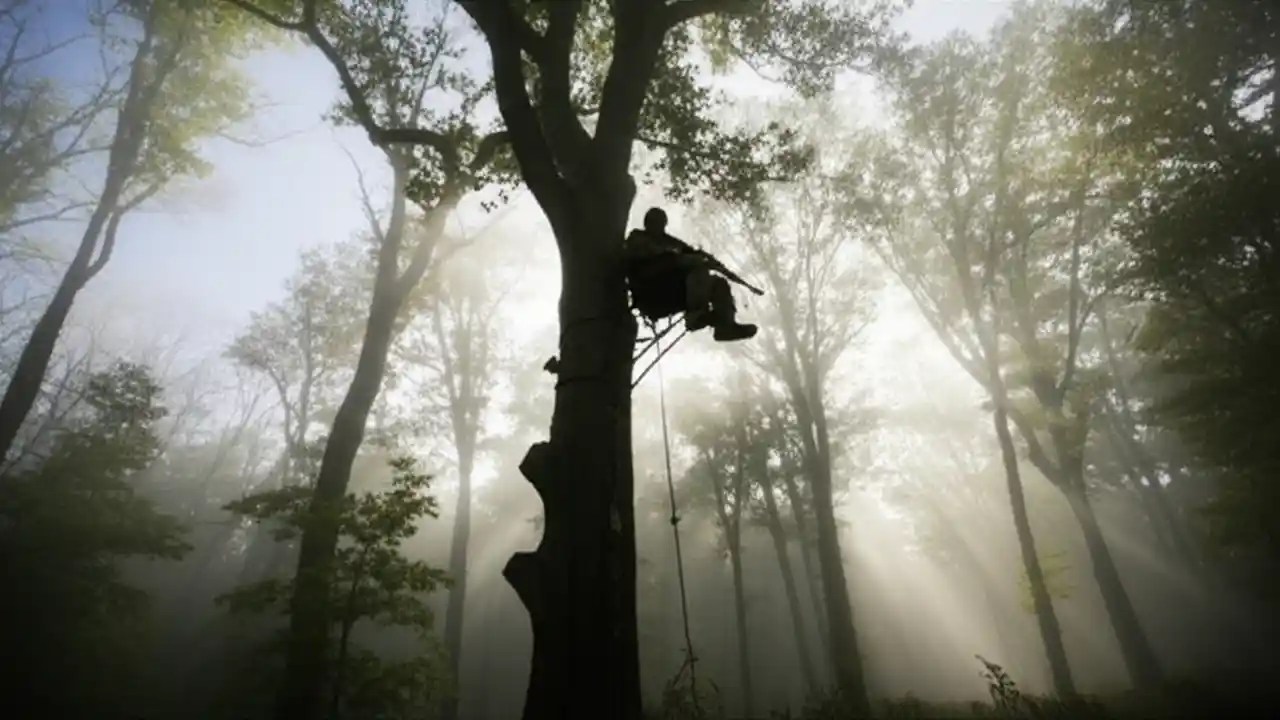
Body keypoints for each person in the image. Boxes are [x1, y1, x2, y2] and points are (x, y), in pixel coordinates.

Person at [625, 207, 758, 342]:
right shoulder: (637, 238)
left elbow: (686, 254)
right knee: (697, 269)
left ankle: (725, 325)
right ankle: (696, 316)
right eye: (654, 223)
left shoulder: (668, 242)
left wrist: (707, 261)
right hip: (651, 295)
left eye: (660, 224)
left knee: (718, 284)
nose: (658, 228)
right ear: (647, 223)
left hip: (674, 293)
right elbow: (655, 259)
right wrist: (687, 259)